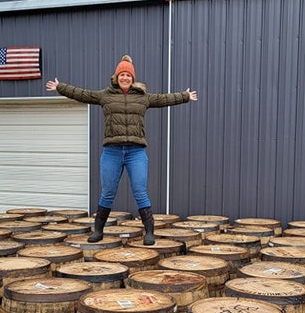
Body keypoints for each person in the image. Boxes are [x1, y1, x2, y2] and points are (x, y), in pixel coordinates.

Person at [46, 55, 198, 245]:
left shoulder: (143, 97)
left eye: (128, 75)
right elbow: (82, 94)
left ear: (132, 78)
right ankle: (98, 231)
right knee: (108, 192)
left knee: (140, 191)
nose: (125, 78)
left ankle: (149, 233)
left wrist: (184, 96)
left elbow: (163, 99)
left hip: (136, 152)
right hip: (112, 151)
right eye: (122, 75)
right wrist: (60, 87)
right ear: (116, 77)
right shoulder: (105, 95)